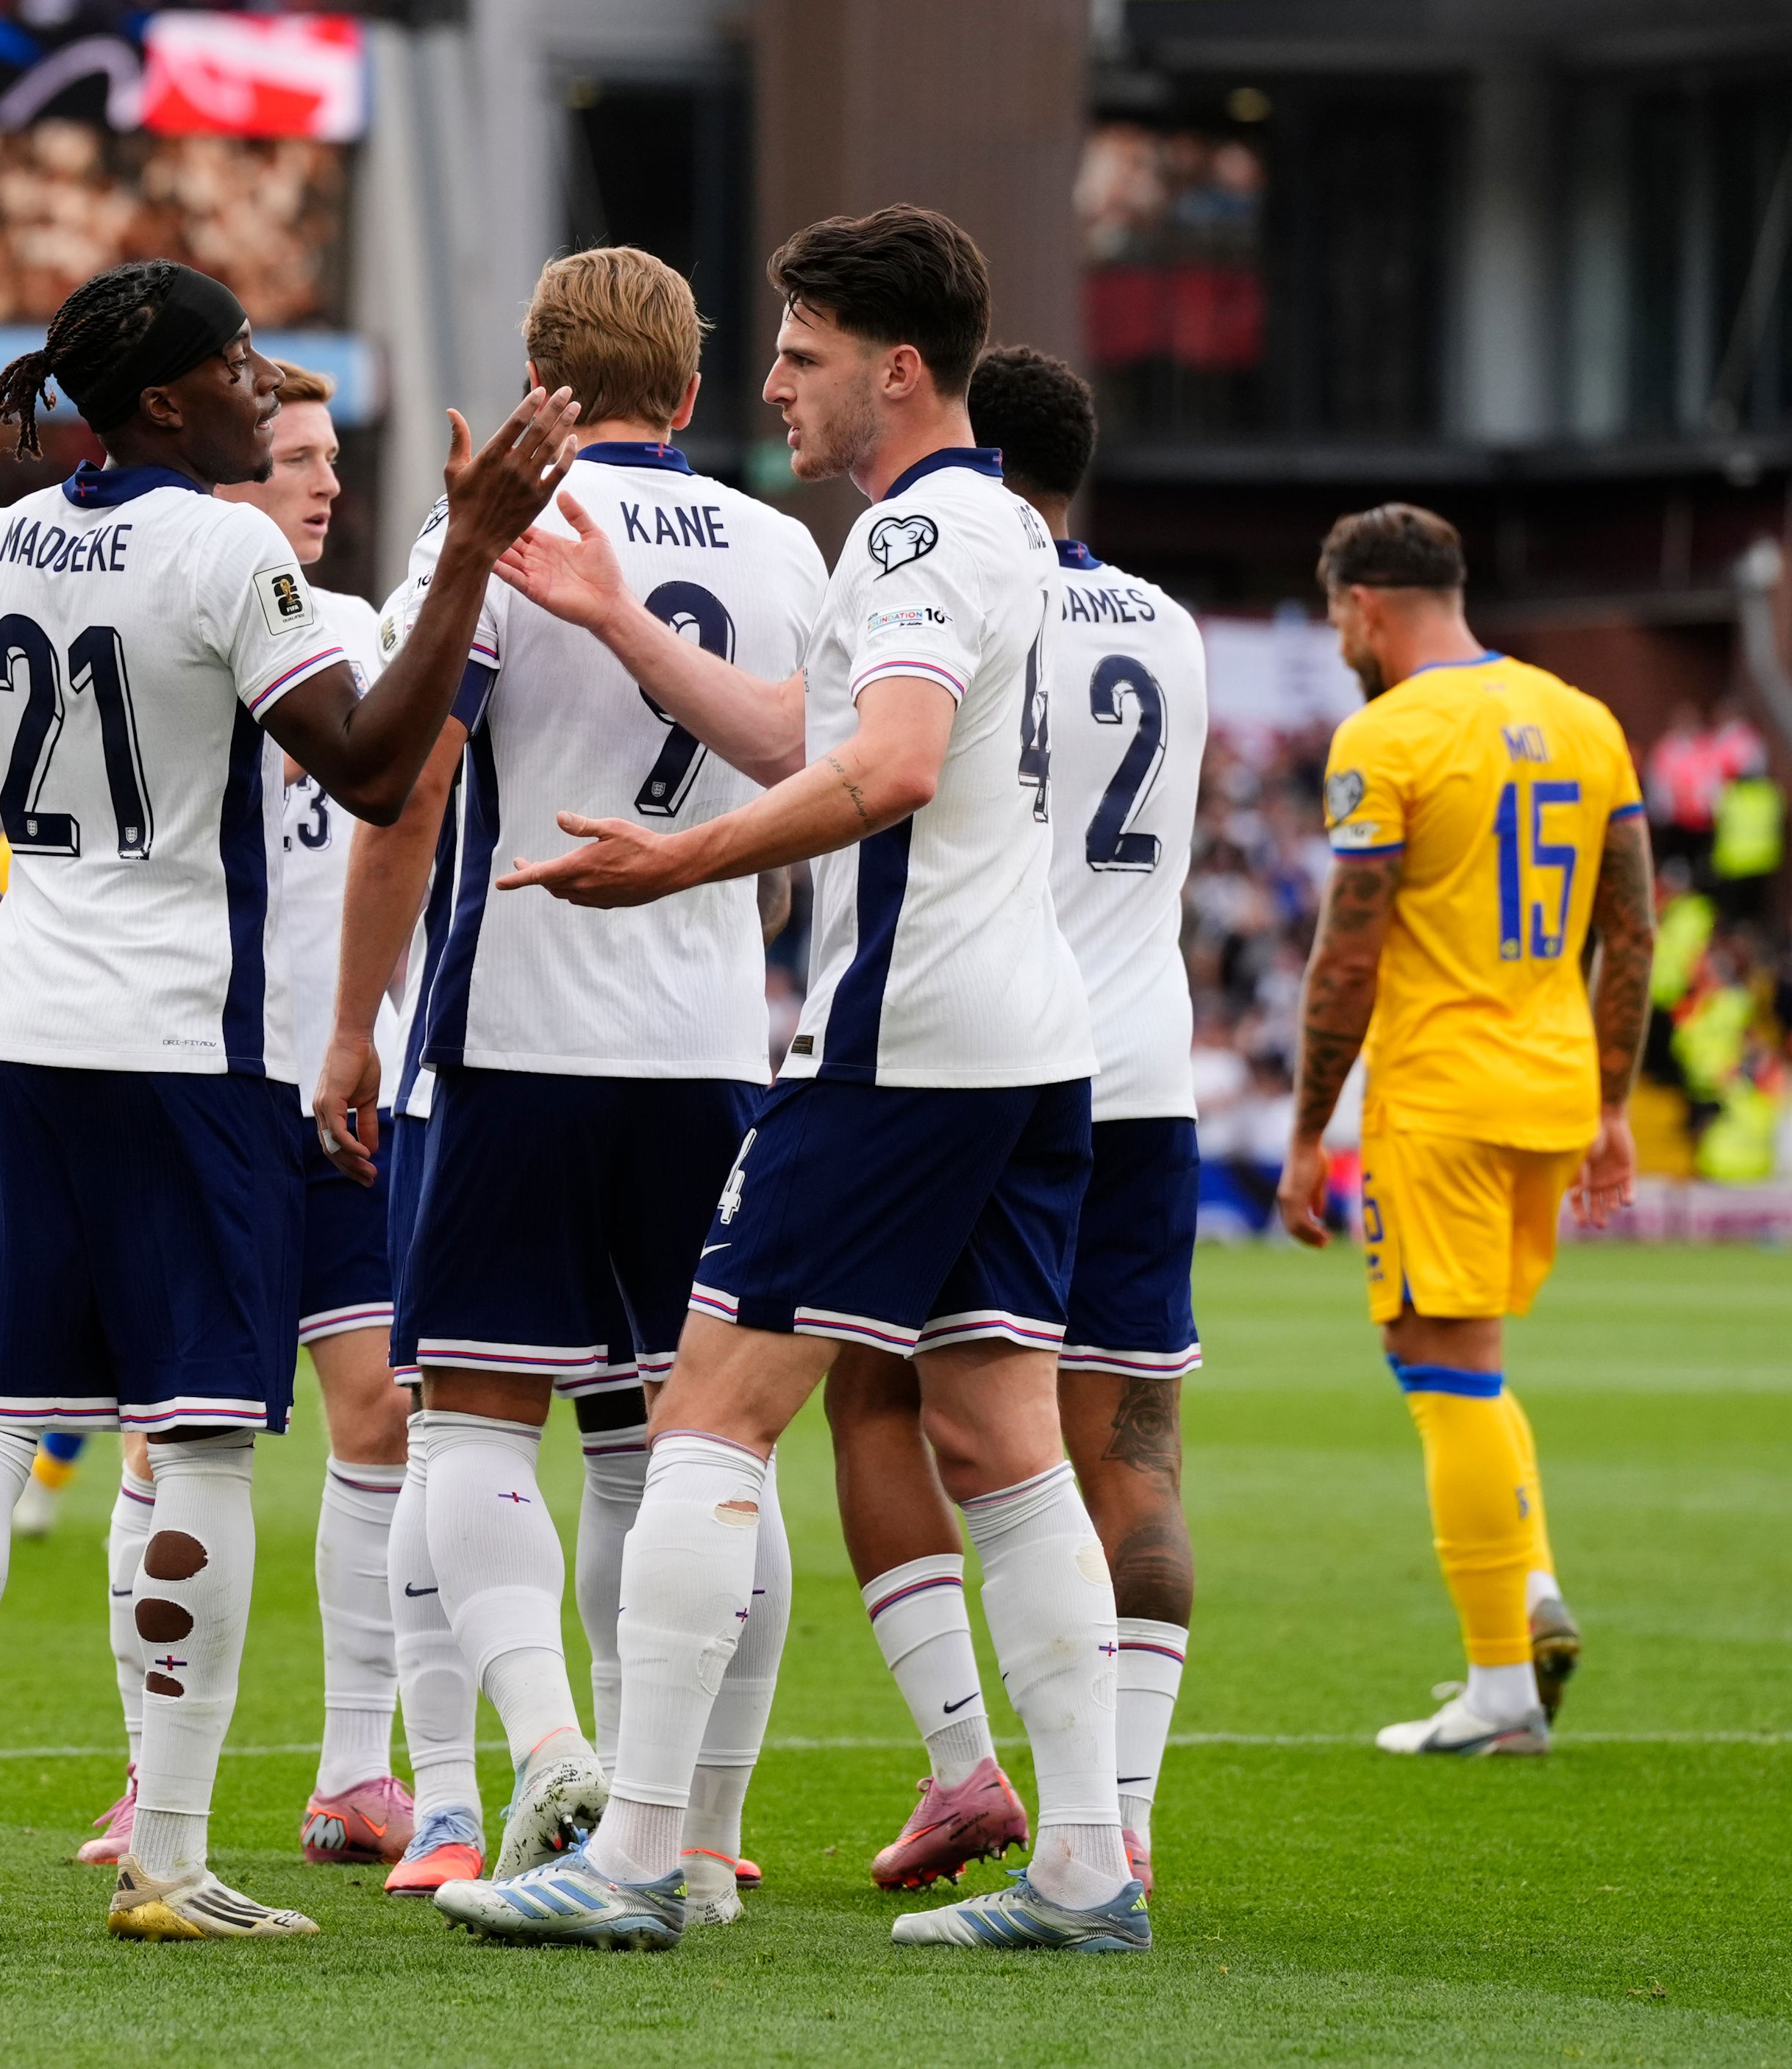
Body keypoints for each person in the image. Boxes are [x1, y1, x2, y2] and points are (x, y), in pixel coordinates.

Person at [0, 255, 579, 1946]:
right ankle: (167, 1859)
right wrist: (465, 549)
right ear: (167, 402)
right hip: (187, 1052)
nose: (264, 381)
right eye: (237, 363)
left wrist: (5, 926)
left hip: (27, 1044)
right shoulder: (226, 549)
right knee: (198, 1439)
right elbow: (379, 769)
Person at [433, 205, 1143, 1954]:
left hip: (898, 1044)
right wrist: (612, 616)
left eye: (802, 355)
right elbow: (813, 735)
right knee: (996, 1439)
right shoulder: (993, 530)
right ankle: (1083, 1868)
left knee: (706, 1414)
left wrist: (678, 866)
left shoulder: (911, 542)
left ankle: (643, 1855)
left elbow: (883, 768)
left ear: (894, 368)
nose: (772, 387)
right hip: (1027, 1038)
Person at [307, 248, 826, 1920]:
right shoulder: (778, 545)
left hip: (511, 1028)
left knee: (464, 1423)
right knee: (689, 1449)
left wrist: (348, 1021)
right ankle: (694, 1824)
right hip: (703, 1051)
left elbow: (410, 788)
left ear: (539, 374)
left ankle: (547, 1758)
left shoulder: (497, 535)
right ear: (687, 392)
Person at [818, 343, 1207, 1895]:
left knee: (873, 1398)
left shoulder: (974, 586)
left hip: (986, 1062)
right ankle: (1119, 1813)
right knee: (1134, 1450)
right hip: (1148, 1075)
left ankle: (960, 1759)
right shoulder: (1169, 628)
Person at [69, 361, 422, 1875]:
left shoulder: (352, 637)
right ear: (226, 480)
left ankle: (357, 1769)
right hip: (199, 1082)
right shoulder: (169, 626)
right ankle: (153, 1775)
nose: (325, 482)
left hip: (342, 1089)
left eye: (333, 458)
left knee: (380, 1412)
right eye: (293, 458)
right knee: (167, 1436)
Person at [1273, 503, 1655, 1757]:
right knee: (1474, 1361)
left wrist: (1305, 1131)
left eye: (1336, 614)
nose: (1338, 636)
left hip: (1441, 1091)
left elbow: (1348, 951)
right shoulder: (1588, 720)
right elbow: (1633, 930)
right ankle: (1527, 1583)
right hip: (1551, 1088)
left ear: (1368, 603)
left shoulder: (1387, 735)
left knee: (1443, 1372)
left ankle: (1499, 1684)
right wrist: (1610, 1104)